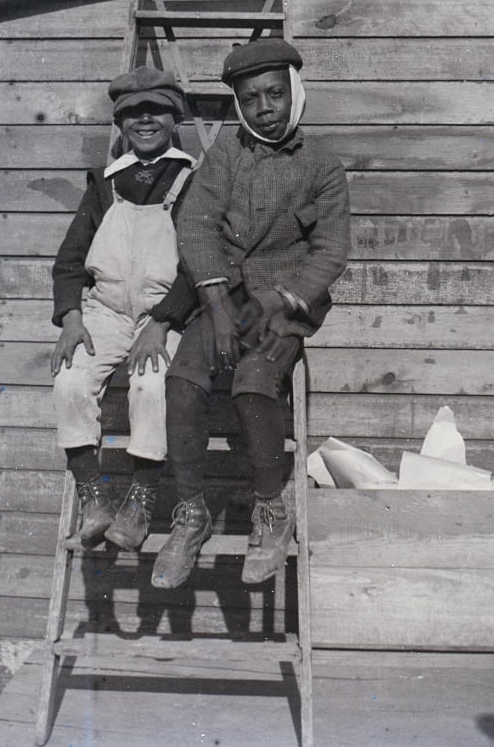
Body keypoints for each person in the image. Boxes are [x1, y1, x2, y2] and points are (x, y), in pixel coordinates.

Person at [151, 38, 350, 588]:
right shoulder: (225, 157)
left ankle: (270, 509)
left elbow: (329, 252)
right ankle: (192, 513)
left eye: (275, 95)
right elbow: (195, 224)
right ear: (238, 104)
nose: (265, 108)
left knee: (253, 384)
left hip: (284, 304)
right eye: (252, 98)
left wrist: (276, 302)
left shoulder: (322, 168)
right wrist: (215, 306)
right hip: (225, 299)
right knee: (184, 382)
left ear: (294, 93)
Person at [50, 66, 197, 550]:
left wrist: (162, 322)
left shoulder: (192, 180)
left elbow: (201, 265)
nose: (145, 121)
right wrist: (72, 317)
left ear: (174, 117)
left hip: (165, 312)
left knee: (152, 383)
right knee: (70, 377)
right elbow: (70, 260)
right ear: (120, 122)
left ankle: (141, 501)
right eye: (132, 113)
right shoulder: (105, 182)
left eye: (155, 110)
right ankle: (93, 499)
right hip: (106, 312)